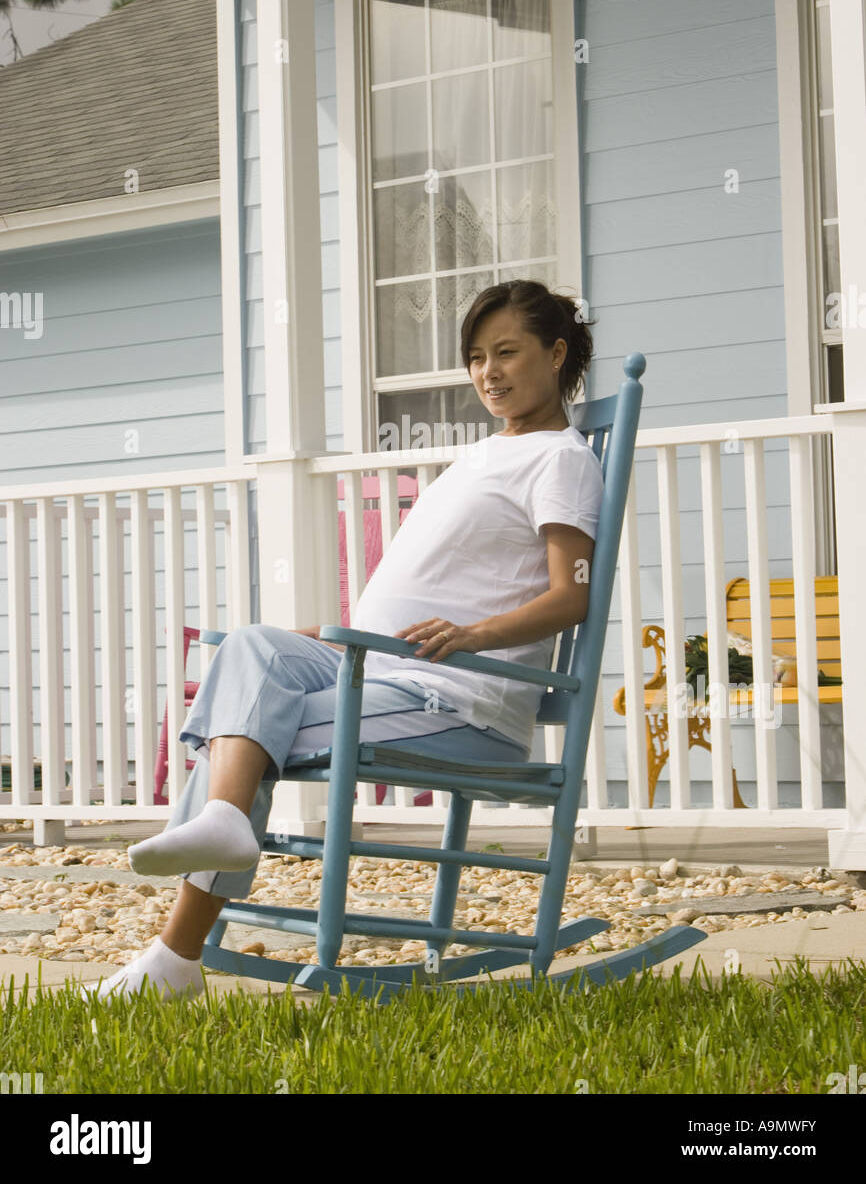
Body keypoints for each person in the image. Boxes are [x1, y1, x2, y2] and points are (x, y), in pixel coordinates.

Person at [80, 279, 604, 1001]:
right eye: (477, 357)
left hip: (457, 699)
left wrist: (471, 634)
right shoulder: (489, 451)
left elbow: (570, 596)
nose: (489, 371)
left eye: (508, 352)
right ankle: (223, 830)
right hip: (386, 665)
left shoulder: (561, 458)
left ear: (556, 352)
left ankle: (176, 955)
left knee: (248, 731)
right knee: (251, 649)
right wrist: (334, 641)